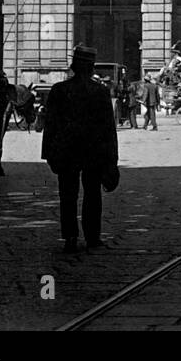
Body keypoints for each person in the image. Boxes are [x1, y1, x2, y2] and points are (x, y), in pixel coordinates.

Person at [40, 46, 119, 253]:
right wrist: (112, 160)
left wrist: (48, 153)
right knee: (93, 194)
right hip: (93, 152)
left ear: (73, 66)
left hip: (66, 151)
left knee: (67, 195)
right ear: (92, 67)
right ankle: (92, 237)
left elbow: (51, 125)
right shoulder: (101, 92)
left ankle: (70, 237)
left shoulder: (59, 90)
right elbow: (109, 130)